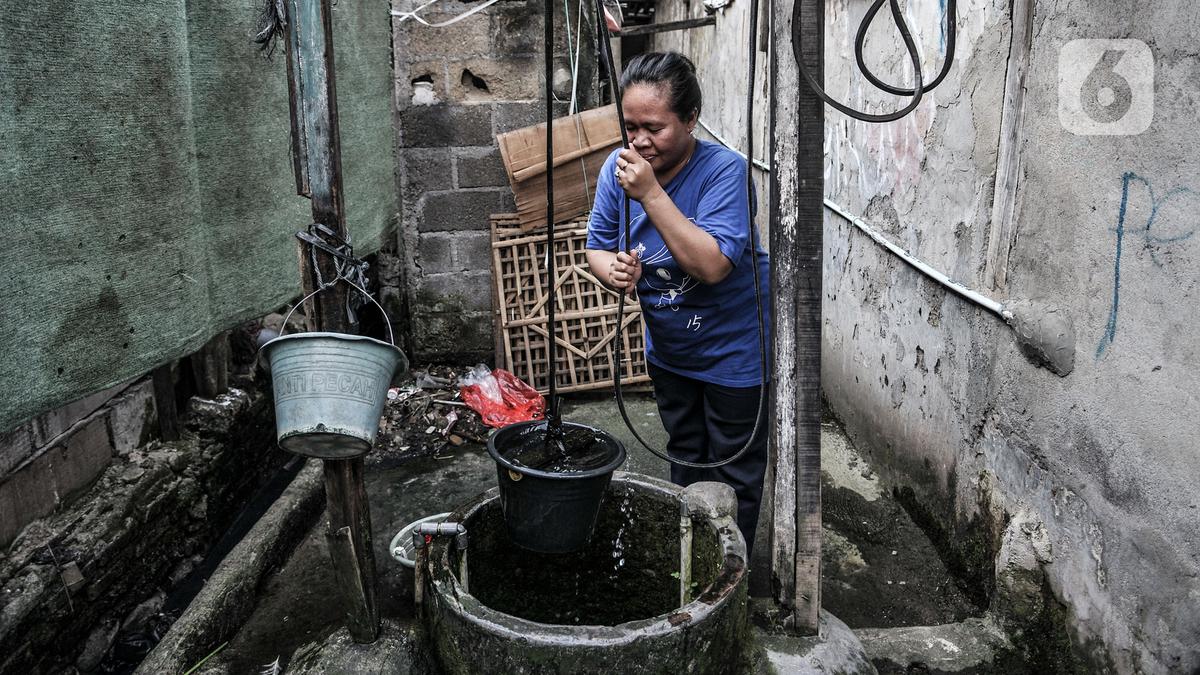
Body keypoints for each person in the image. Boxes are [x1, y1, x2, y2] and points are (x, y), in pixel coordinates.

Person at [586, 52, 771, 553]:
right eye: (630, 127)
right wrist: (614, 272)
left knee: (735, 471)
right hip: (670, 348)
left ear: (690, 120)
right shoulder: (616, 170)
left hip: (736, 352)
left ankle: (730, 571)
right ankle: (691, 562)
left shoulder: (723, 172)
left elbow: (711, 266)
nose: (639, 141)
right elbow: (597, 247)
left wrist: (650, 194)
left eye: (654, 127)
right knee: (686, 455)